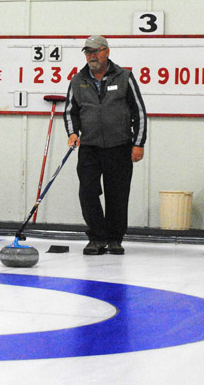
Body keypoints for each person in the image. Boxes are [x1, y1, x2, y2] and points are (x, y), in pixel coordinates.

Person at [64, 35, 147, 256]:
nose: (91, 56)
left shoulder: (124, 76)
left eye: (95, 51)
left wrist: (138, 143)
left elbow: (139, 112)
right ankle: (97, 237)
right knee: (88, 192)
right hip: (89, 147)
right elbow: (70, 111)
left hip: (120, 146)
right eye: (87, 52)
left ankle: (114, 239)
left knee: (117, 195)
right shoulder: (77, 80)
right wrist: (72, 133)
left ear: (107, 51)